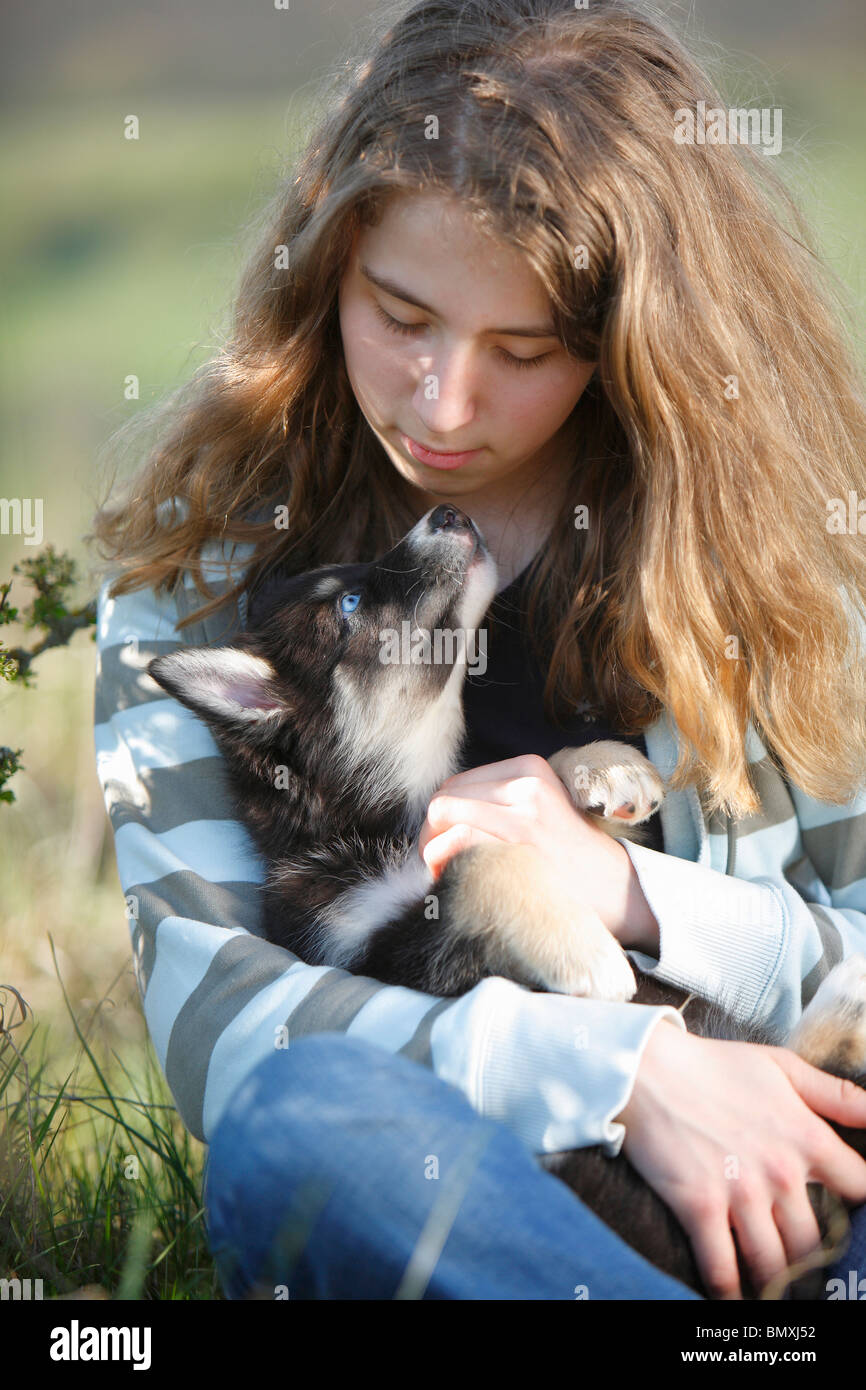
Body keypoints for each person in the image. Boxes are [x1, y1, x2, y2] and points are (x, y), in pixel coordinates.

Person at [89, 0, 866, 1300]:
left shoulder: (781, 553)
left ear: (630, 343)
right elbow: (219, 1027)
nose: (443, 404)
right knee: (301, 1131)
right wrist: (618, 1075)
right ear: (324, 263)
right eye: (399, 314)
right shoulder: (203, 571)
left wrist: (635, 892)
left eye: (524, 351)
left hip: (811, 1178)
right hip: (484, 1185)